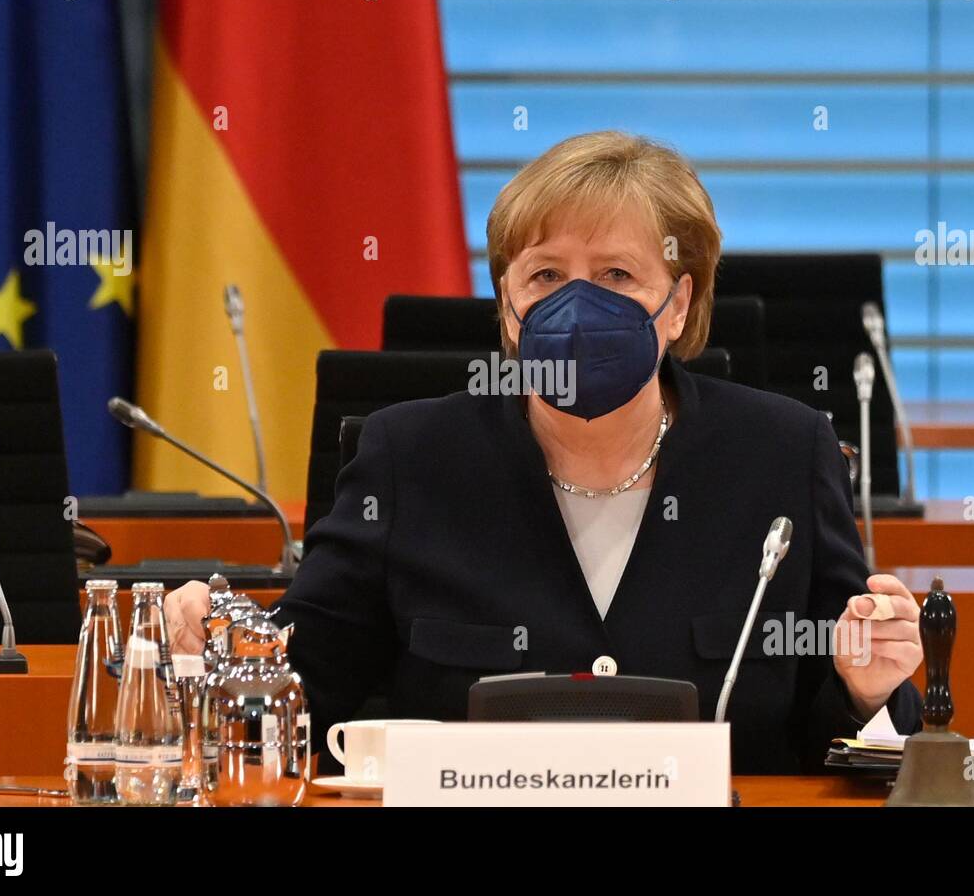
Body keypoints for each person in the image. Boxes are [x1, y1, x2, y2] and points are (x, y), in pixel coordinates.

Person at [166, 131, 922, 773]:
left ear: (679, 304)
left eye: (617, 275)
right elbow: (296, 703)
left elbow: (854, 743)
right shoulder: (410, 460)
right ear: (507, 306)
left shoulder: (781, 456)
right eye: (547, 276)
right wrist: (215, 655)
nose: (577, 304)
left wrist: (867, 688)